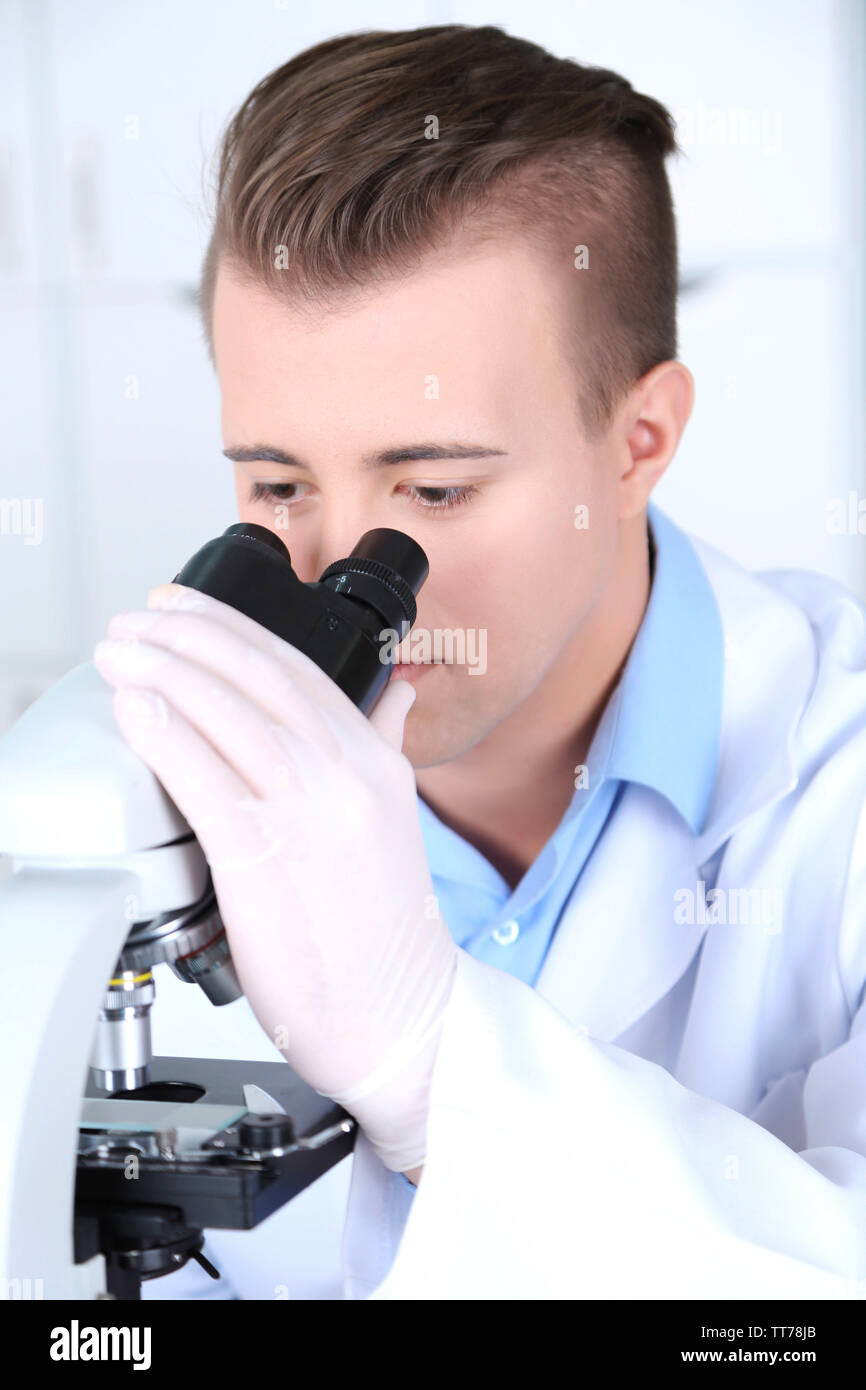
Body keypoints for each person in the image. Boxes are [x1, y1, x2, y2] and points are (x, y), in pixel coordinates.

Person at [92, 24, 866, 1299]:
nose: (344, 575)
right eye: (275, 479)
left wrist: (430, 1063)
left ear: (636, 441)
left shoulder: (838, 799)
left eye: (435, 489)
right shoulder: (128, 831)